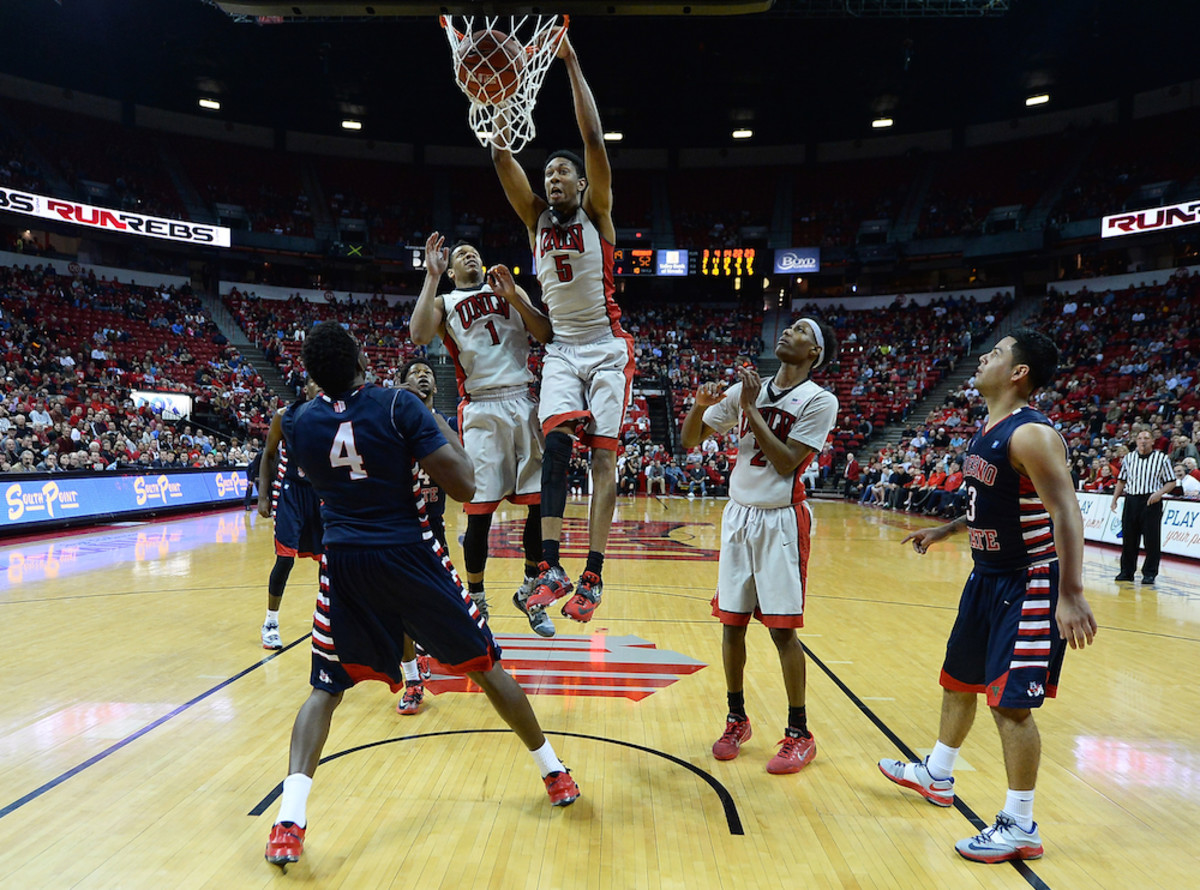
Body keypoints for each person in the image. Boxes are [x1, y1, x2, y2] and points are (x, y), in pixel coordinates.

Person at [263, 322, 579, 871]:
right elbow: (464, 484)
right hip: (410, 553)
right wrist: (431, 422)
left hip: (344, 564)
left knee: (324, 689)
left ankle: (289, 820)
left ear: (312, 374)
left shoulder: (295, 421)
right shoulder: (399, 408)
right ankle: (553, 770)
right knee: (486, 665)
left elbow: (291, 468)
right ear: (363, 359)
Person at [880, 329, 1098, 864]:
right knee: (958, 681)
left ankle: (1021, 825)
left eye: (996, 353)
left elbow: (1066, 512)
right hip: (986, 576)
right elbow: (990, 504)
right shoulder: (990, 427)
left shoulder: (1032, 435)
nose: (983, 357)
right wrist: (945, 530)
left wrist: (1070, 594)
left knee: (1011, 708)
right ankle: (937, 772)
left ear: (1019, 372)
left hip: (1029, 581)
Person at [491, 31, 634, 625]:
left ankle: (594, 571)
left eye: (561, 173)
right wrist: (493, 98)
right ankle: (550, 564)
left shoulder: (598, 214)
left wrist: (572, 64)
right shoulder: (533, 220)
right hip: (562, 351)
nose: (552, 178)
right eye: (547, 173)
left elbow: (592, 139)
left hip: (605, 347)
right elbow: (502, 159)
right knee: (554, 445)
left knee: (602, 460)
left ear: (580, 185)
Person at [681, 317, 839, 776]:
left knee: (782, 631)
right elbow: (692, 439)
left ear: (815, 352)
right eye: (789, 327)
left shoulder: (819, 400)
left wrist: (749, 411)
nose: (789, 332)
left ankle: (799, 733)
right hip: (738, 516)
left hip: (780, 520)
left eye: (802, 332)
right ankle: (736, 719)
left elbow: (788, 460)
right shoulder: (747, 387)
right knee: (731, 625)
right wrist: (698, 406)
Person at [410, 235, 555, 634]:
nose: (469, 255)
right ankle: (476, 599)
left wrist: (516, 298)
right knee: (480, 513)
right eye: (459, 256)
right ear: (452, 270)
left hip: (523, 400)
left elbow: (545, 334)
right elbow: (418, 336)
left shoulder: (508, 287)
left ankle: (529, 588)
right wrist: (432, 277)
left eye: (474, 251)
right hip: (482, 405)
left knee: (538, 506)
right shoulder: (444, 302)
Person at [393, 357, 455, 716]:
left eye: (428, 373)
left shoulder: (443, 422)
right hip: (400, 527)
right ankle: (412, 678)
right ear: (403, 384)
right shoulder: (391, 420)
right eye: (415, 373)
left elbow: (461, 462)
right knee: (401, 612)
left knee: (441, 603)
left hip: (434, 527)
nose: (423, 375)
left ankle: (427, 650)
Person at [257, 378, 324, 650]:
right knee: (284, 560)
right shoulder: (285, 417)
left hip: (321, 493)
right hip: (290, 492)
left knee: (328, 561)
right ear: (305, 389)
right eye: (313, 381)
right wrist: (263, 495)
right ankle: (270, 622)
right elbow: (269, 454)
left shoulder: (337, 416)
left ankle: (327, 617)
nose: (318, 386)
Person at [1110, 429, 1176, 584]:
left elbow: (1171, 481)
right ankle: (1126, 571)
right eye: (1139, 438)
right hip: (1131, 500)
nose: (1143, 441)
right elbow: (1122, 480)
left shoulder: (1161, 459)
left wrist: (1160, 493)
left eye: (1146, 438)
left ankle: (1149, 573)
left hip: (1151, 501)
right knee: (1129, 539)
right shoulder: (1129, 458)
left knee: (1151, 540)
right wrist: (1114, 499)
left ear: (1152, 441)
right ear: (1136, 441)